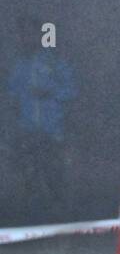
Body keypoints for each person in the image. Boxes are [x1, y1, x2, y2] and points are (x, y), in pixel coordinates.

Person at [7, 15, 76, 212]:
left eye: (31, 32)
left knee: (53, 171)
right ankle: (31, 212)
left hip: (52, 129)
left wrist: (51, 92)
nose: (27, 37)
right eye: (24, 33)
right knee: (28, 171)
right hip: (26, 129)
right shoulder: (19, 65)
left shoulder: (55, 63)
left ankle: (61, 209)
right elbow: (12, 93)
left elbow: (72, 90)